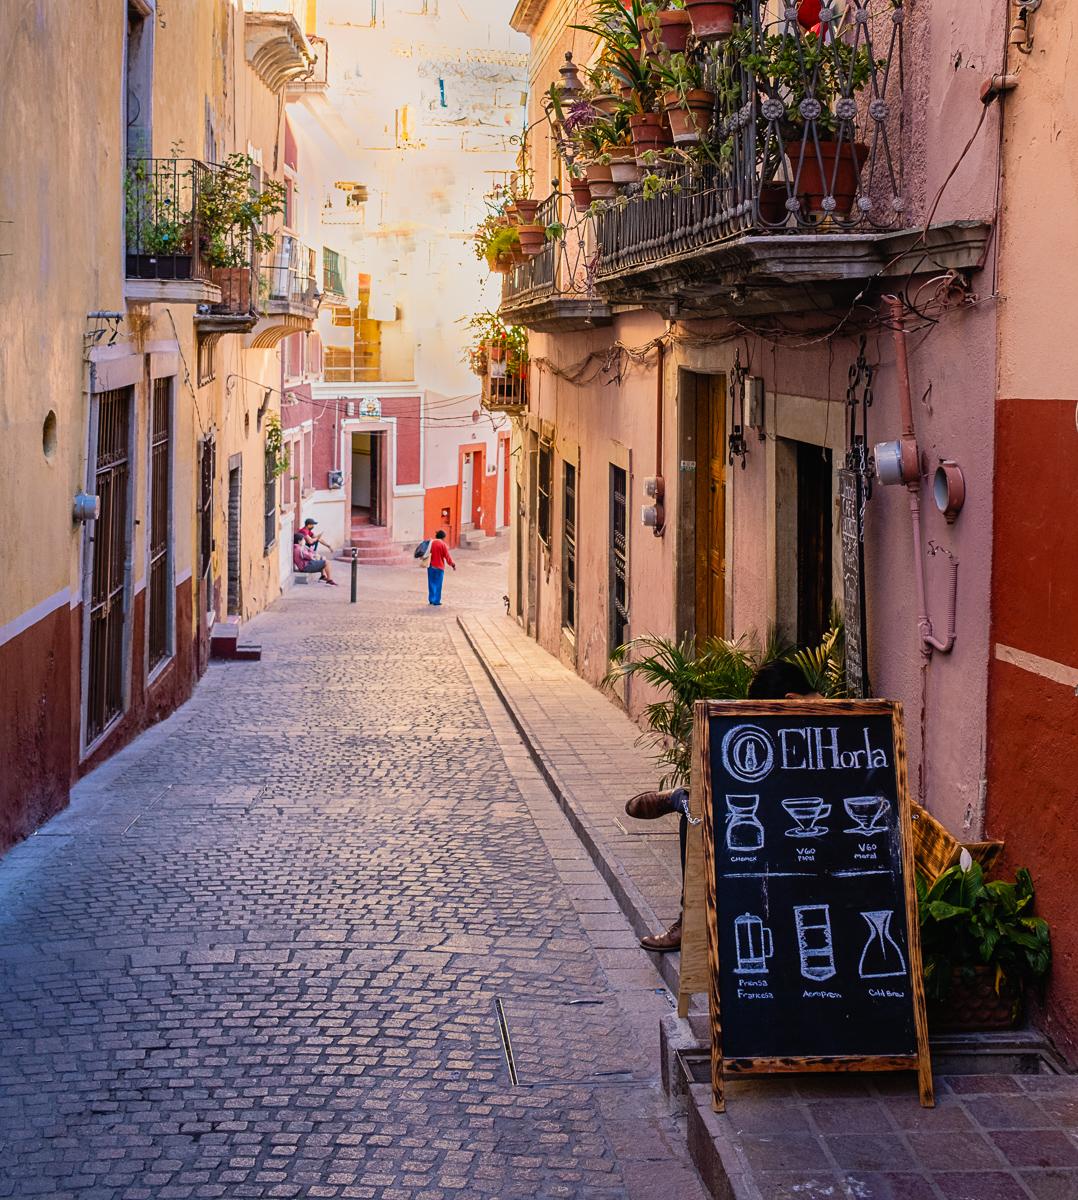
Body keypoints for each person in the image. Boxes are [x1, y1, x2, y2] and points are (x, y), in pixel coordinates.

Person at [628, 659, 821, 952]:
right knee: (701, 809)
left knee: (698, 809)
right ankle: (683, 799)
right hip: (786, 823)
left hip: (808, 837)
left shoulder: (831, 725)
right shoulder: (813, 716)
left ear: (789, 700)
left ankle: (677, 798)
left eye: (763, 715)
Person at [426, 529, 456, 606]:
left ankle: (431, 599)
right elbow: (447, 557)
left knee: (431, 583)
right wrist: (452, 564)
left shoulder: (431, 543)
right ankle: (436, 601)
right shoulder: (442, 545)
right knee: (438, 585)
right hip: (439, 567)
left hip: (430, 567)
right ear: (443, 537)